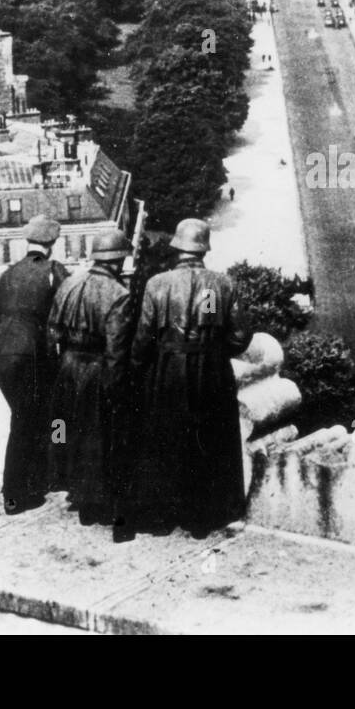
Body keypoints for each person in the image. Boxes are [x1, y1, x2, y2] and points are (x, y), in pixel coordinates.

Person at [116, 218, 251, 541]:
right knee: (207, 442)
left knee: (164, 441)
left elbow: (143, 337)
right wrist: (216, 351)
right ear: (203, 249)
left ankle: (162, 516)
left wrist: (138, 368)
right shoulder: (223, 284)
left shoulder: (157, 284)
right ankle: (202, 518)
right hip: (212, 371)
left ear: (177, 248)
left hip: (168, 369)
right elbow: (241, 335)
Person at [47, 230, 132, 526]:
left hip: (67, 365)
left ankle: (71, 486)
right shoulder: (119, 294)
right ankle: (93, 501)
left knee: (64, 429)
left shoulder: (68, 283)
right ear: (118, 260)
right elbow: (116, 350)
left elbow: (52, 333)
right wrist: (116, 387)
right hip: (95, 369)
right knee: (95, 436)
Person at [0, 215, 68, 515]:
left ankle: (36, 479)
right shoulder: (53, 271)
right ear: (52, 244)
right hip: (29, 354)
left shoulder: (9, 273)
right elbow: (66, 310)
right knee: (28, 420)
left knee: (31, 415)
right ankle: (15, 493)